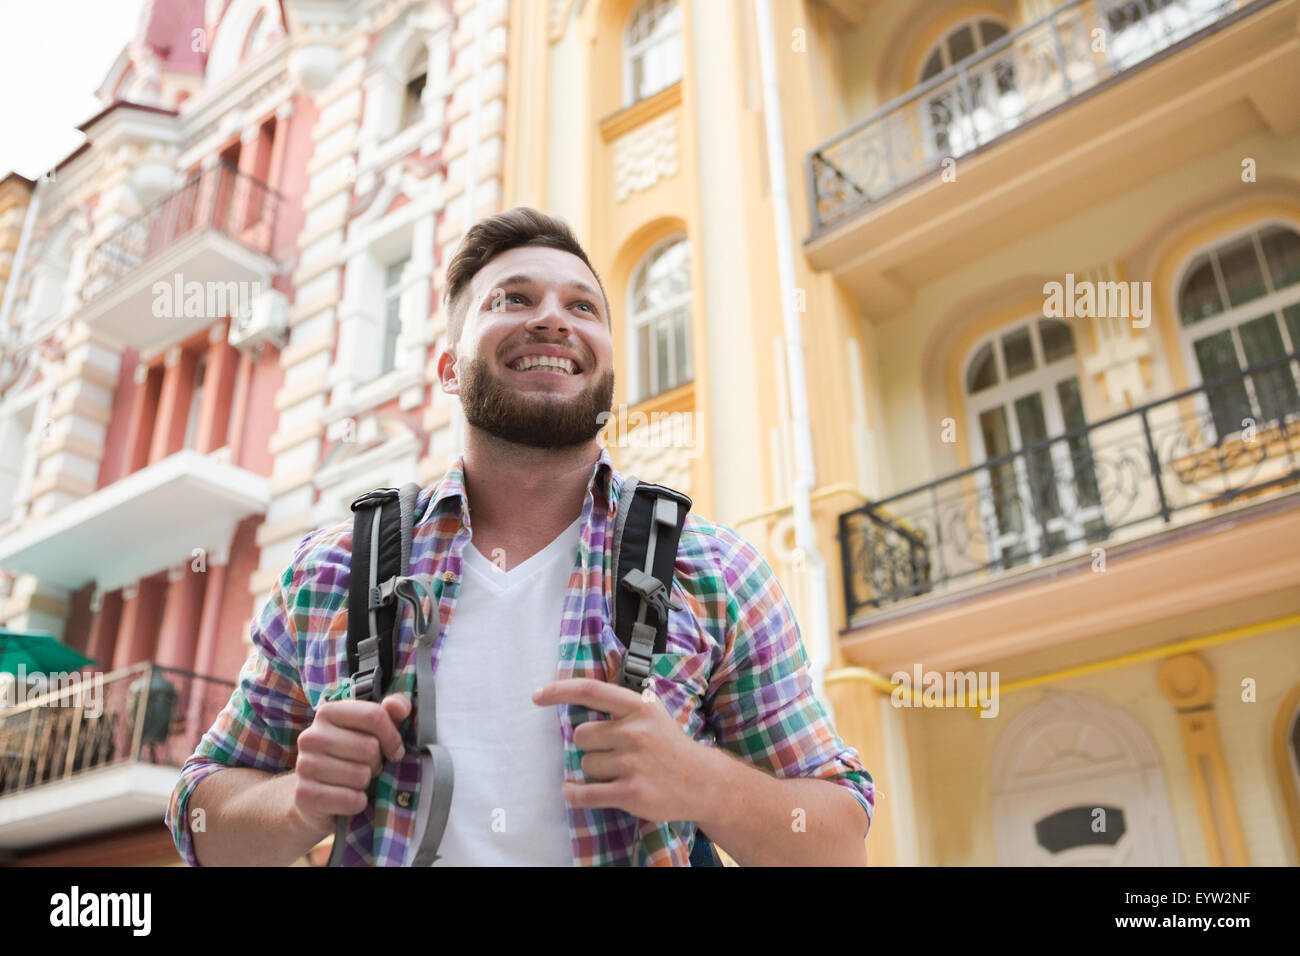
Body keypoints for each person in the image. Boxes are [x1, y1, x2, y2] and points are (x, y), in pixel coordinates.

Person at [164, 207, 874, 866]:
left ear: (605, 369)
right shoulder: (332, 570)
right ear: (448, 369)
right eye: (513, 299)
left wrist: (704, 786)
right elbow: (196, 816)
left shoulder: (715, 569)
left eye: (582, 307)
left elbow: (840, 839)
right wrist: (298, 802)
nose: (553, 321)